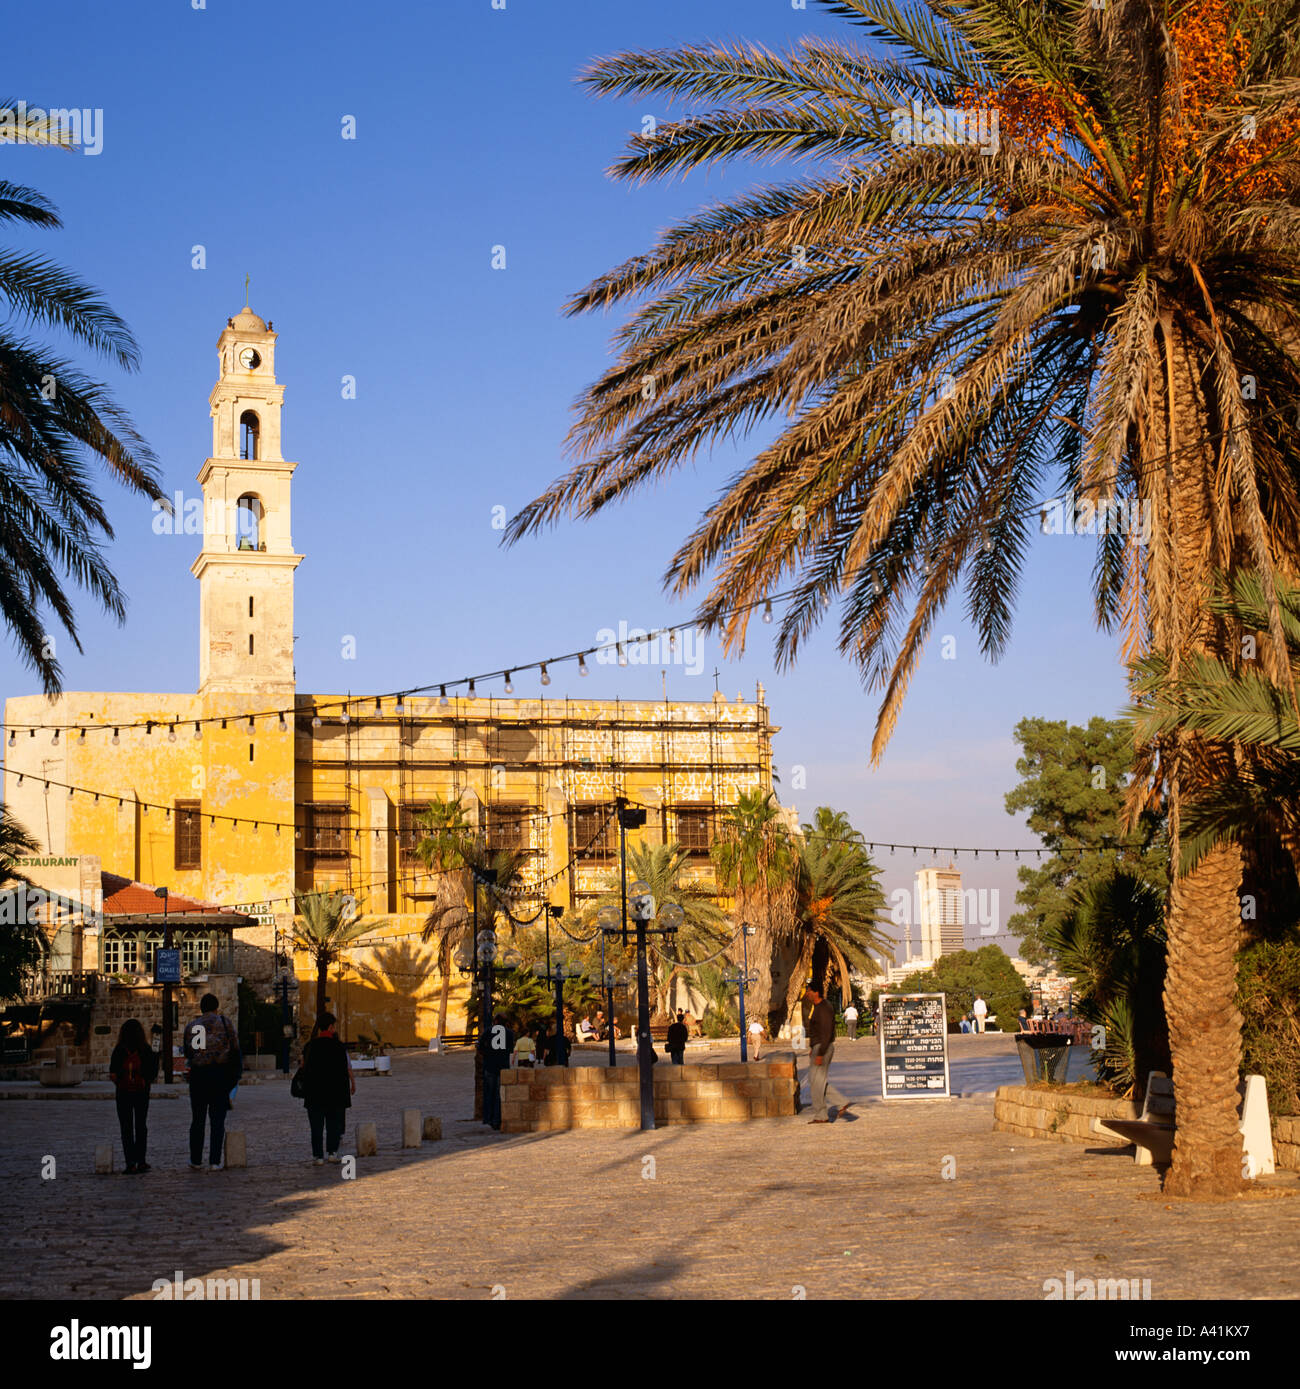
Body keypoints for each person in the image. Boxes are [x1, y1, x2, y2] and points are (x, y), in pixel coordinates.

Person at [183, 993, 238, 1171]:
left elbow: (188, 1052)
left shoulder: (192, 1026)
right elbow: (235, 1048)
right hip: (218, 1074)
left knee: (197, 1119)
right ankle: (215, 1160)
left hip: (199, 1076)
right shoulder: (224, 1022)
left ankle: (196, 1159)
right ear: (216, 1007)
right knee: (217, 1120)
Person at [299, 1011, 354, 1163]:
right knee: (333, 1124)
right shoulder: (338, 1046)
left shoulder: (310, 1046)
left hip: (314, 1092)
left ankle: (318, 1156)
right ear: (330, 1027)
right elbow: (343, 1071)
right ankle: (332, 1152)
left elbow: (303, 1067)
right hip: (334, 1093)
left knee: (316, 1126)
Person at [109, 1018, 158, 1174]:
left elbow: (113, 1073)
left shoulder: (119, 1050)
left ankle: (130, 1163)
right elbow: (153, 1073)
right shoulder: (146, 1049)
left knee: (126, 1128)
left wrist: (122, 1083)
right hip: (141, 1093)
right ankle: (141, 1161)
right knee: (141, 1126)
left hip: (123, 1093)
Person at [805, 985, 851, 1123]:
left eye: (809, 991)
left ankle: (822, 1114)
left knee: (816, 1082)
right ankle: (840, 1102)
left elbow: (826, 1032)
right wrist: (813, 1048)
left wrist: (820, 1053)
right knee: (816, 1081)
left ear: (816, 992)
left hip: (823, 1048)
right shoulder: (819, 1007)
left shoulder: (824, 1008)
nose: (807, 994)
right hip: (818, 1047)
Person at [480, 1012, 515, 1130]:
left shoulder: (488, 1031)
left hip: (489, 1066)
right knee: (500, 1094)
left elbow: (480, 1047)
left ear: (495, 1021)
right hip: (503, 1066)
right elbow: (510, 1049)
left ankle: (489, 1118)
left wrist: (488, 1054)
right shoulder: (510, 1033)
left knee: (489, 1092)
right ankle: (497, 1119)